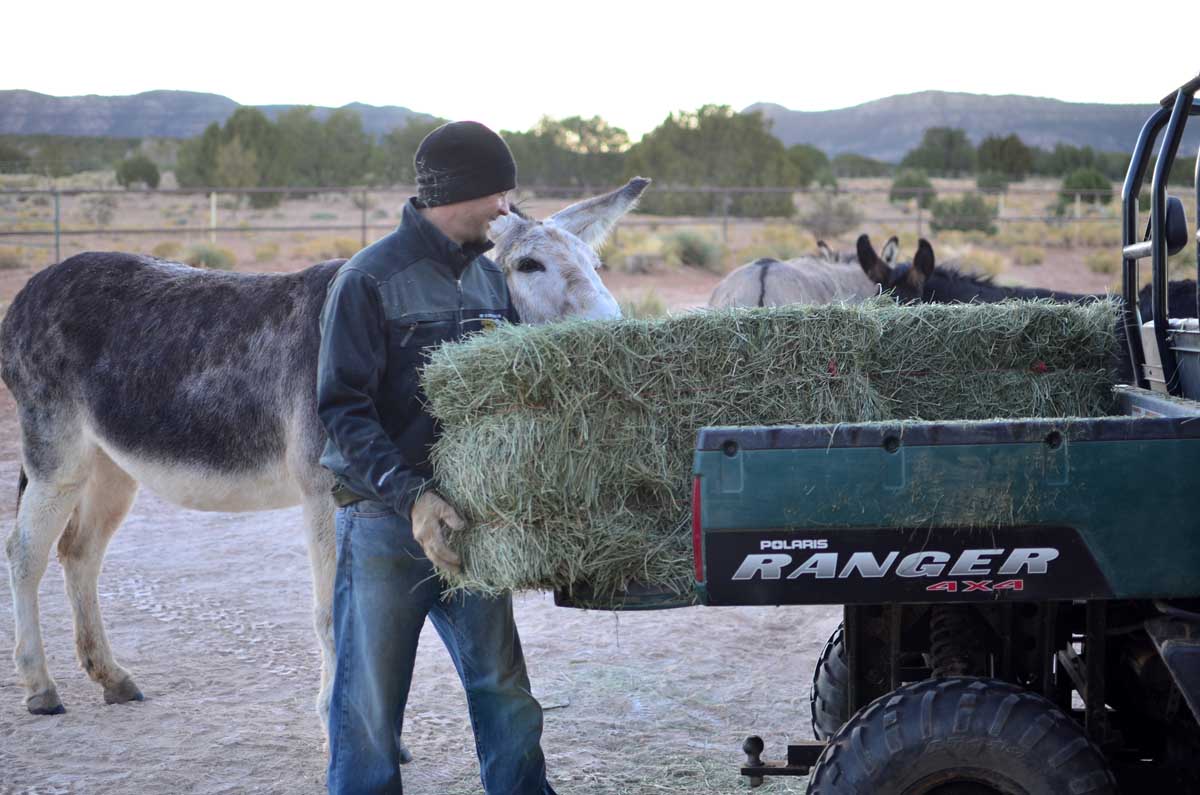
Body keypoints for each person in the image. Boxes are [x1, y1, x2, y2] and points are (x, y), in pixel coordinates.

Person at [317, 120, 556, 795]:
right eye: (500, 198)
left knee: (505, 690)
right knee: (368, 704)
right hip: (385, 529)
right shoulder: (369, 280)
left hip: (472, 528)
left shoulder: (488, 281)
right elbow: (341, 409)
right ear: (459, 192)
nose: (508, 212)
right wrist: (412, 496)